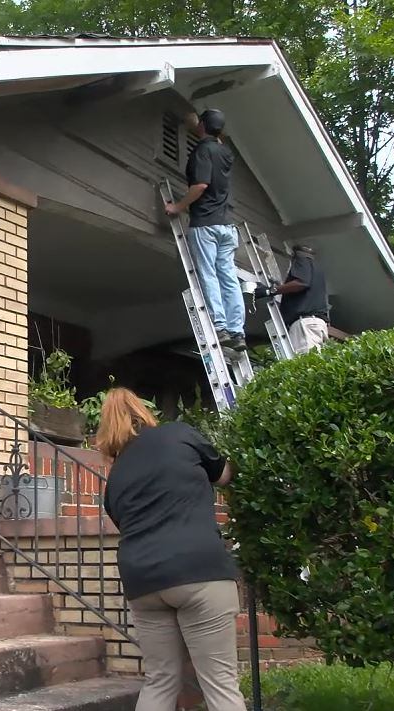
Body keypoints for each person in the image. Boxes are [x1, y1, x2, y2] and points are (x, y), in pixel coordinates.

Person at [98, 388, 246, 711]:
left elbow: (127, 525)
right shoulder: (179, 434)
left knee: (160, 680)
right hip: (198, 570)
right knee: (220, 684)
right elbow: (224, 475)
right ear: (142, 411)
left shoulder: (115, 480)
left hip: (144, 583)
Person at [165, 109, 246, 351]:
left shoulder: (202, 151)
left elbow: (200, 185)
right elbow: (215, 137)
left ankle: (220, 327)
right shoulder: (225, 152)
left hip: (206, 224)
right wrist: (199, 125)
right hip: (226, 225)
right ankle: (237, 331)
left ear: (202, 125)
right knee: (229, 278)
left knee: (209, 274)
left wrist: (177, 206)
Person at [254, 244, 329, 355]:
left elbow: (301, 283)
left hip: (305, 324)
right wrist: (282, 287)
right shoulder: (316, 269)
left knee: (305, 362)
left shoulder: (301, 260)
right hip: (315, 324)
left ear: (294, 255)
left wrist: (270, 291)